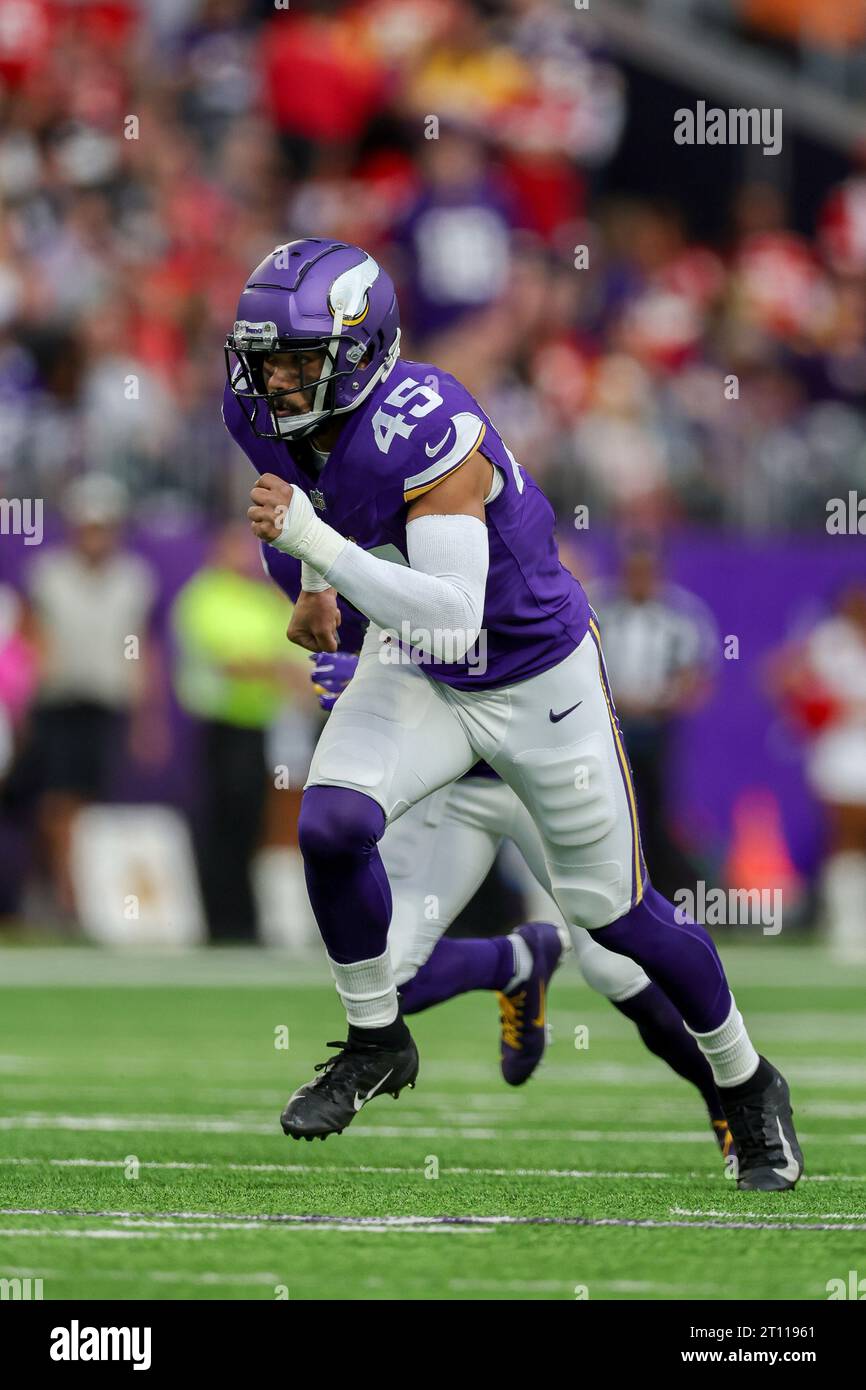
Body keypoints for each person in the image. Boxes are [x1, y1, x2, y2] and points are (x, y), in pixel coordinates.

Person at [224, 238, 802, 1190]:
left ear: (362, 353)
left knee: (620, 922)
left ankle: (745, 1081)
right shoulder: (263, 410)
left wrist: (315, 547)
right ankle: (377, 1040)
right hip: (417, 664)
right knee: (331, 822)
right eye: (266, 359)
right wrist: (314, 588)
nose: (275, 383)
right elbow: (295, 513)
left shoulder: (432, 424)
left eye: (297, 362)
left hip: (533, 677)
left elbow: (450, 617)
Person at [171, 522, 313, 941]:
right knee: (223, 823)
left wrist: (282, 672)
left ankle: (247, 921)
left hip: (264, 726)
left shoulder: (263, 597)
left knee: (254, 823)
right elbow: (229, 660)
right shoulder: (205, 595)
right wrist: (275, 670)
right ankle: (222, 922)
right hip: (224, 724)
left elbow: (297, 656)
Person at [592, 540, 716, 900]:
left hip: (657, 725)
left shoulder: (680, 616)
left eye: (647, 573)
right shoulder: (601, 608)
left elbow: (696, 676)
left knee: (657, 811)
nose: (639, 581)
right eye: (633, 573)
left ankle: (662, 893)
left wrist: (661, 700)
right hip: (610, 721)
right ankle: (611, 890)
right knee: (609, 804)